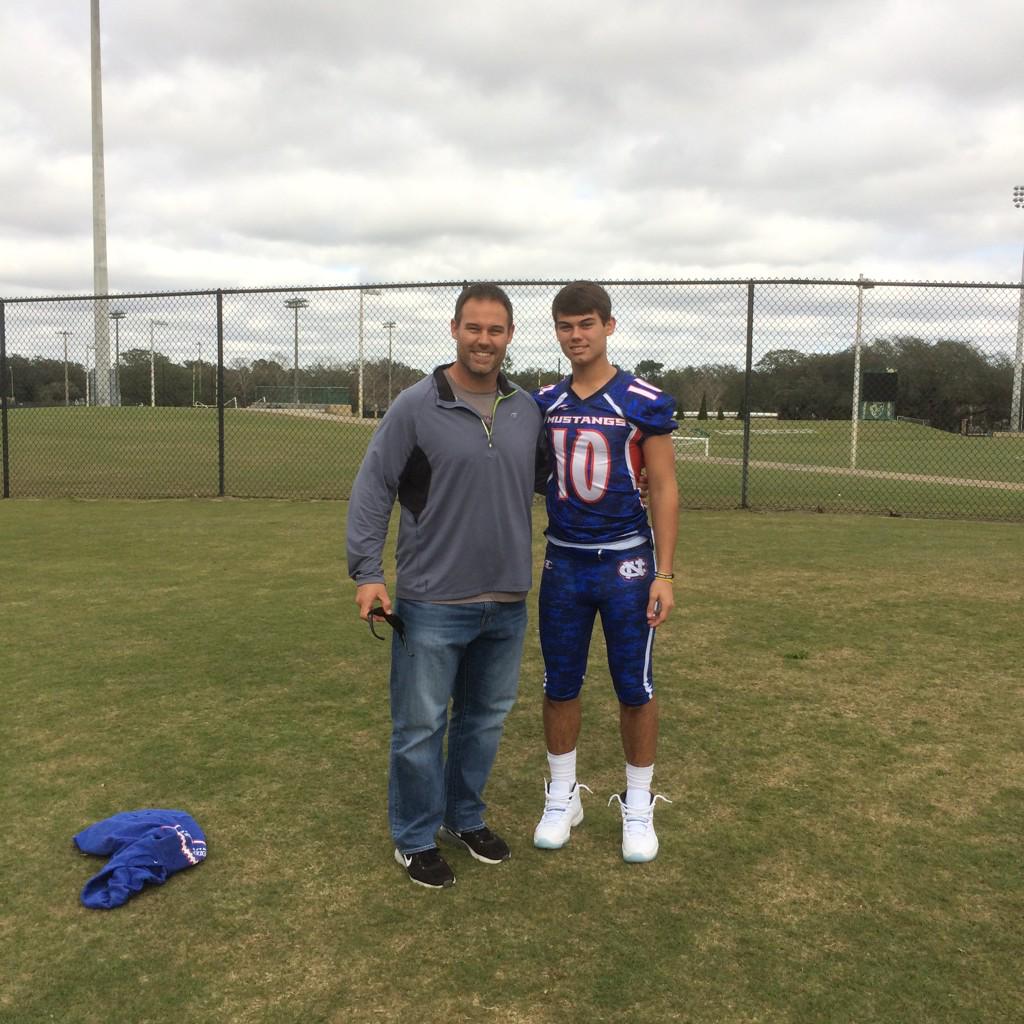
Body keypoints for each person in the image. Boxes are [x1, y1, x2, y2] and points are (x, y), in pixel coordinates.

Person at [346, 283, 543, 889]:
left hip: (507, 600)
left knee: (483, 719)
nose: (484, 340)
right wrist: (368, 573)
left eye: (496, 329)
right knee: (420, 726)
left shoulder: (526, 408)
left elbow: (553, 484)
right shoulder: (415, 405)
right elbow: (374, 487)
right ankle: (413, 837)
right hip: (432, 600)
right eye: (474, 328)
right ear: (454, 330)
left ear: (509, 336)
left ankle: (464, 818)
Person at [531, 281, 679, 863]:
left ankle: (638, 803)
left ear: (609, 326)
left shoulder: (642, 399)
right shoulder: (544, 401)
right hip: (564, 559)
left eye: (587, 324)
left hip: (626, 560)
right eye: (566, 326)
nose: (576, 335)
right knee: (559, 681)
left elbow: (664, 486)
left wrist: (665, 574)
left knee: (633, 687)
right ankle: (563, 794)